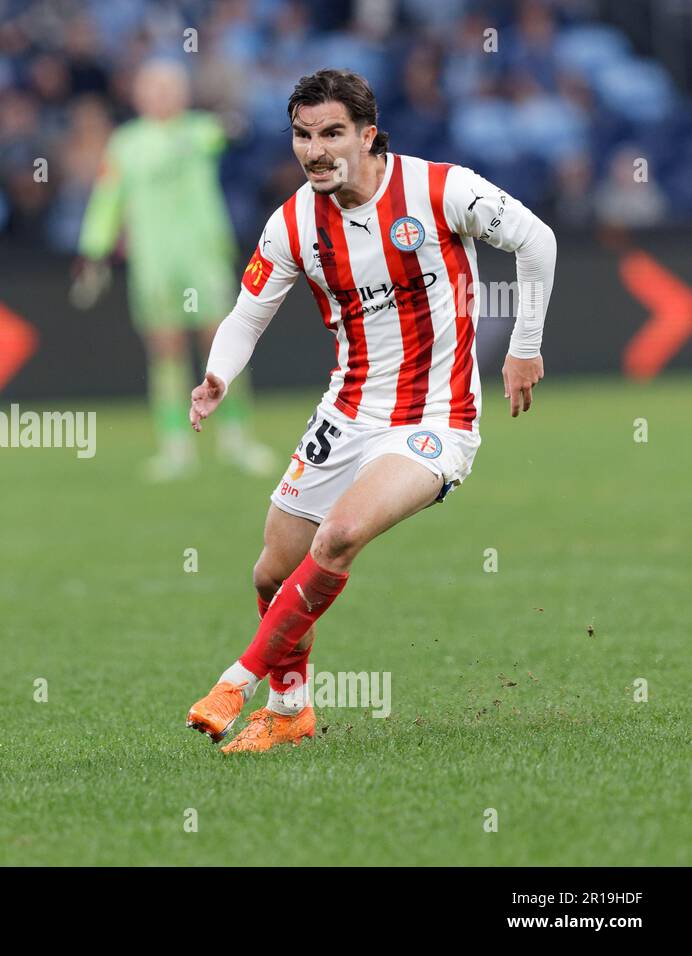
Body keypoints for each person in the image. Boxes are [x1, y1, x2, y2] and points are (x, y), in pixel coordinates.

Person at [185, 69, 555, 753]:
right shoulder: (294, 221)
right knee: (271, 572)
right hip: (347, 413)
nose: (315, 150)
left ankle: (238, 681)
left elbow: (537, 241)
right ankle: (291, 710)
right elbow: (247, 314)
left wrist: (524, 347)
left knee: (340, 535)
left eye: (332, 134)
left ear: (367, 134)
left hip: (434, 418)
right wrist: (217, 375)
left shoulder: (440, 189)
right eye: (302, 135)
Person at [73, 59, 275, 481]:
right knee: (165, 350)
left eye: (169, 88)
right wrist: (94, 251)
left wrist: (235, 119)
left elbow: (236, 130)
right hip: (155, 262)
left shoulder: (199, 131)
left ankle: (236, 439)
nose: (162, 96)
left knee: (221, 347)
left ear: (183, 94)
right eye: (154, 88)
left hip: (203, 256)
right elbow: (108, 200)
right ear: (139, 95)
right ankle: (175, 446)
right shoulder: (126, 144)